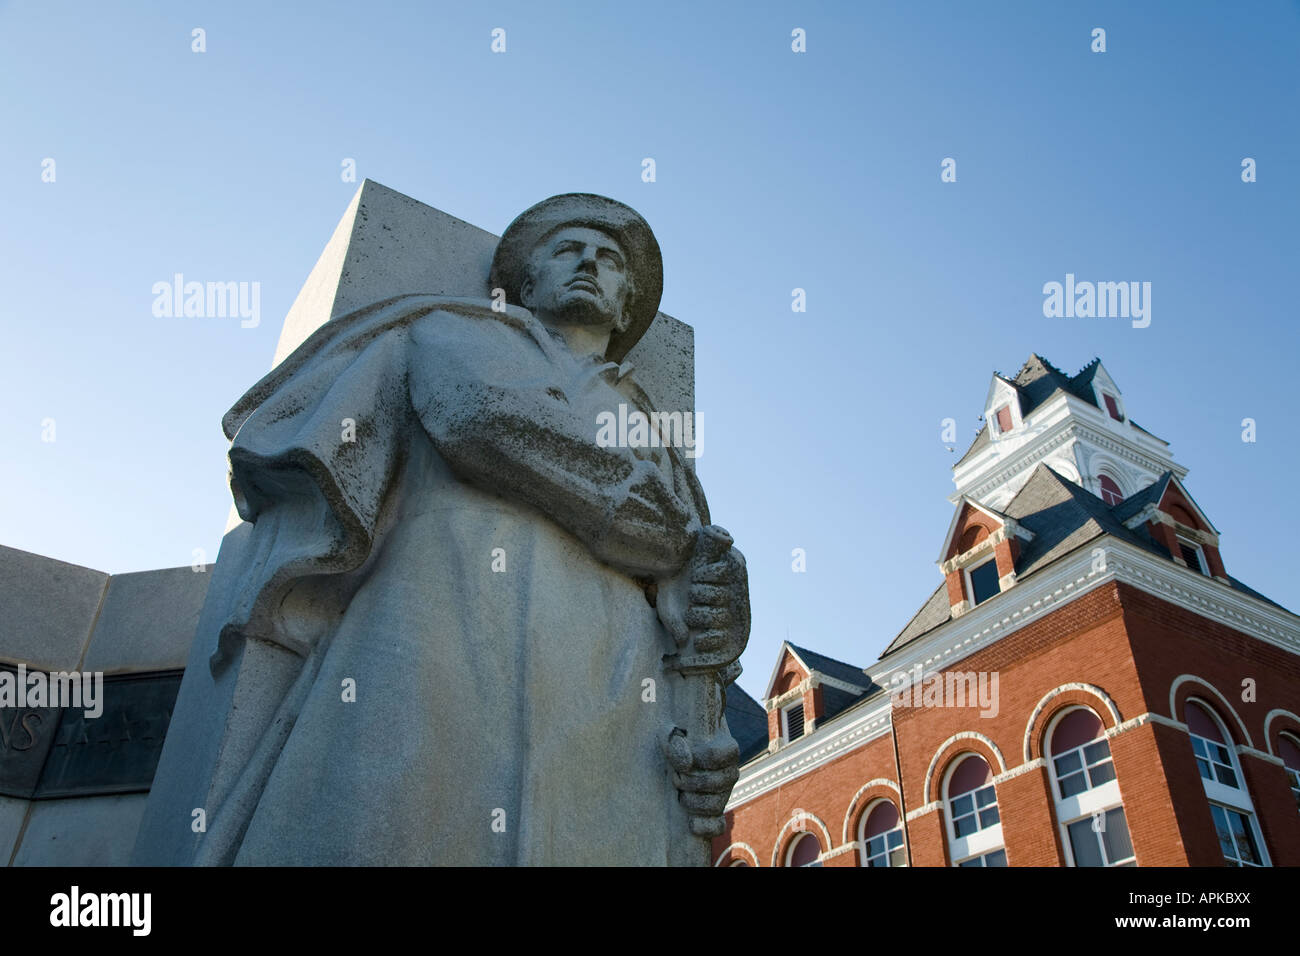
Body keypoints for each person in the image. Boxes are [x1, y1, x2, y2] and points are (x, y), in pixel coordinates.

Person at [186, 194, 749, 865]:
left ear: (626, 308)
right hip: (437, 639)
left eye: (607, 261)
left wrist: (722, 608)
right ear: (525, 283)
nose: (589, 264)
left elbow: (698, 594)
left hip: (607, 701)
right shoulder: (454, 336)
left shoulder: (657, 435)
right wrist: (662, 532)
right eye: (569, 250)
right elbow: (481, 423)